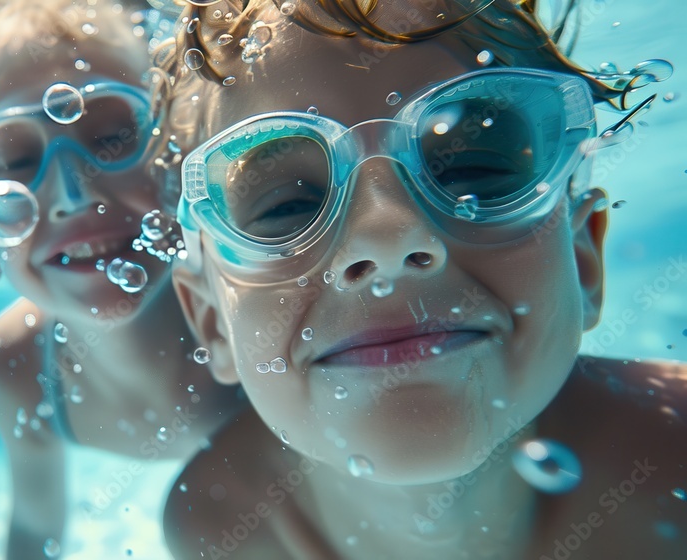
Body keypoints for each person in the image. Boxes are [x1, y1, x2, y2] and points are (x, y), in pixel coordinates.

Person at [160, 0, 687, 558]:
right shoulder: (220, 526)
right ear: (214, 323)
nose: (387, 239)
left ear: (584, 261)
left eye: (472, 170)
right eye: (288, 207)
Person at [0, 1, 243, 557]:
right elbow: (33, 528)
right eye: (18, 162)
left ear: (179, 160)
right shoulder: (16, 367)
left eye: (116, 137)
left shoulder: (252, 310)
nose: (75, 194)